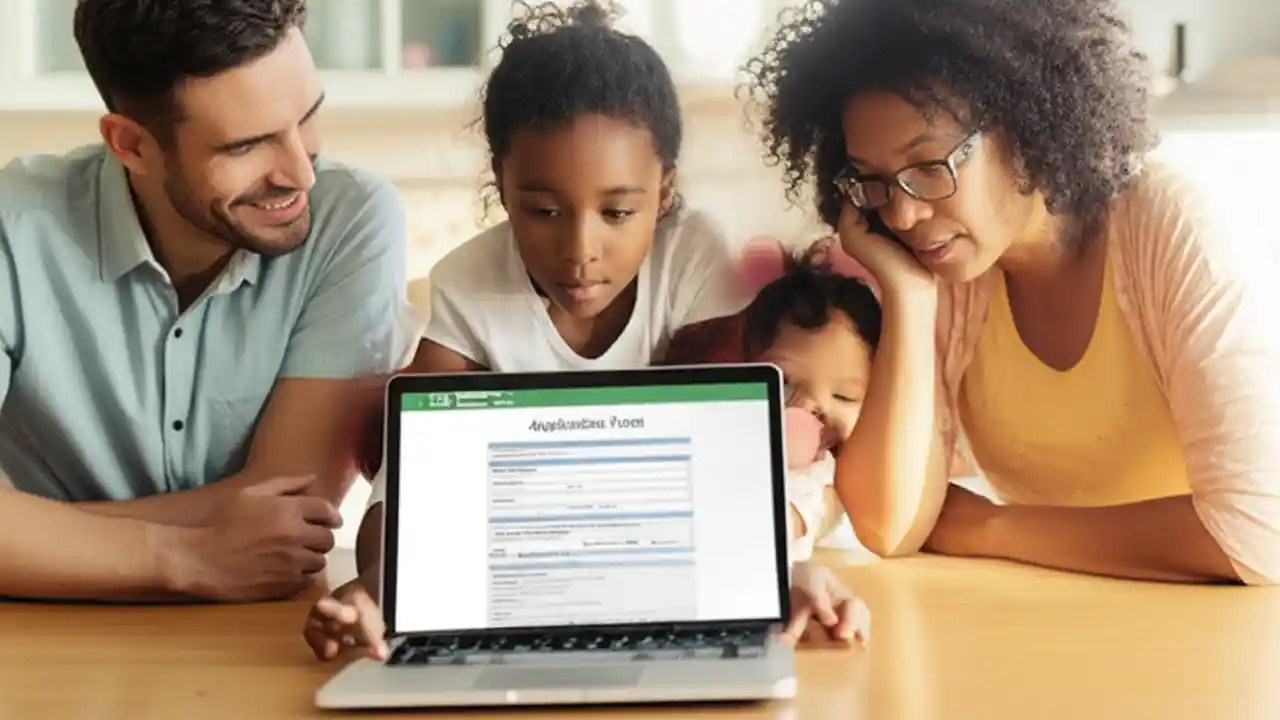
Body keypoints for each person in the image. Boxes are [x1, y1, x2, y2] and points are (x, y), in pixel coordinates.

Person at [306, 0, 868, 662]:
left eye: (618, 211)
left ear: (664, 193)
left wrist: (782, 576)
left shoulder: (691, 260)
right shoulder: (468, 283)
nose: (579, 249)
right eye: (542, 209)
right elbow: (408, 473)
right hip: (519, 582)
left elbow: (732, 462)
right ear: (502, 186)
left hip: (667, 577)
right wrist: (381, 588)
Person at [744, 0, 1280, 584]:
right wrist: (908, 298)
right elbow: (891, 526)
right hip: (1043, 616)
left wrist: (991, 526)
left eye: (927, 165)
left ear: (1026, 129)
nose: (901, 213)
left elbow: (1258, 530)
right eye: (872, 180)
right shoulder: (944, 269)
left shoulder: (1168, 227)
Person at [0, 0, 413, 602]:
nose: (300, 173)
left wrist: (37, 535)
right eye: (247, 146)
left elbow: (294, 514)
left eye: (309, 117)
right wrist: (186, 557)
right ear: (132, 146)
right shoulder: (13, 227)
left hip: (253, 643)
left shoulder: (351, 222)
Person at [738, 239, 881, 560]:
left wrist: (786, 522)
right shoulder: (735, 442)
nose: (809, 407)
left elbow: (817, 507)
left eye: (844, 396)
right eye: (785, 383)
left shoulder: (834, 474)